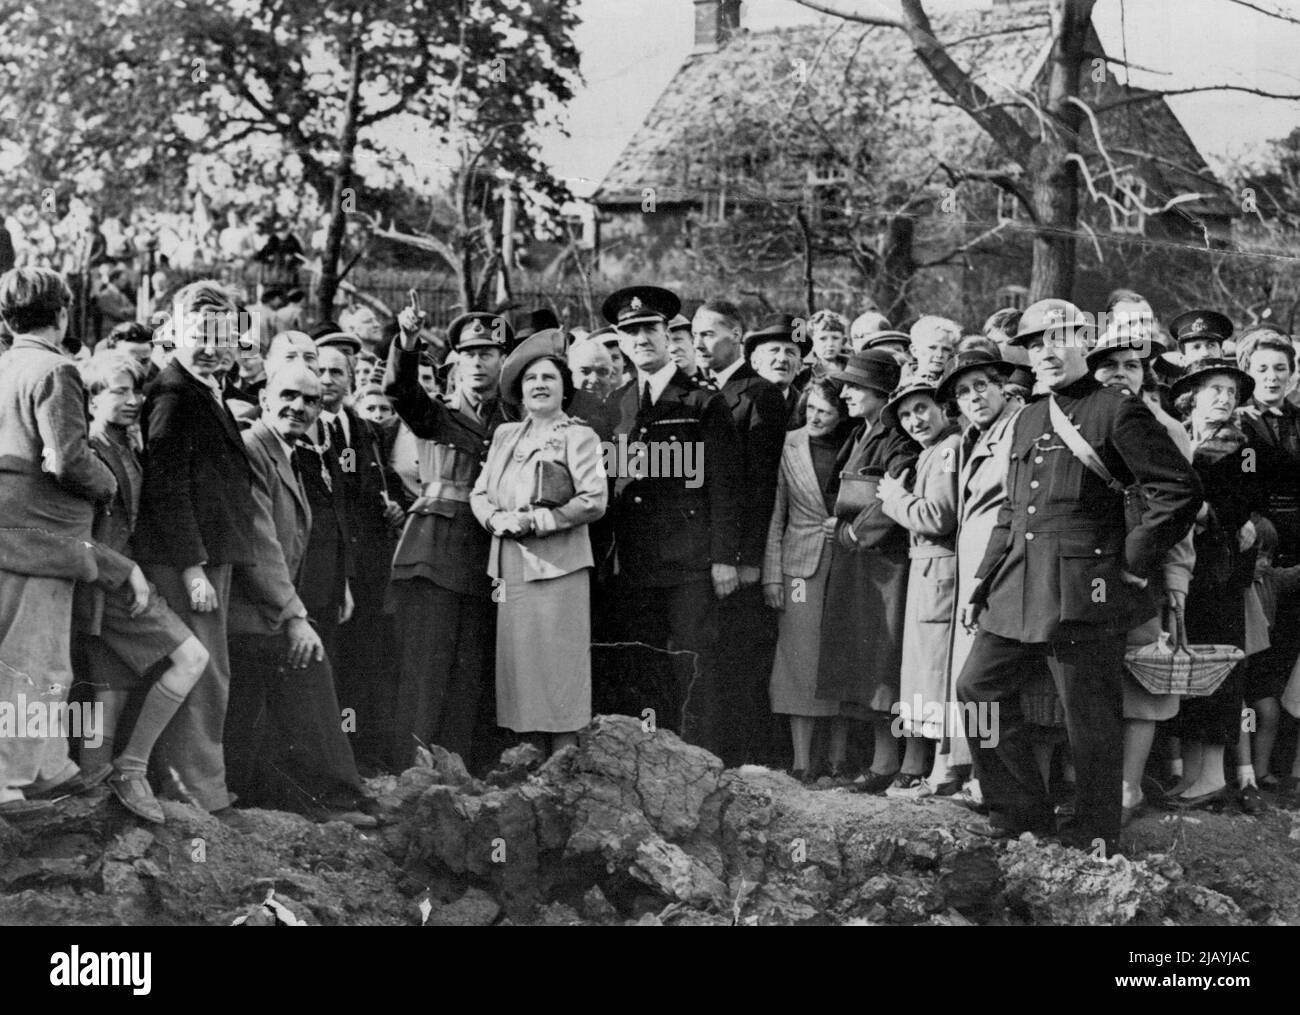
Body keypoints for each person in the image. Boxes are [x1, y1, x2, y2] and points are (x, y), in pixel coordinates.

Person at [958, 299, 1201, 855]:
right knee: (976, 688)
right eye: (1035, 343)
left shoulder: (1114, 408)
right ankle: (1019, 806)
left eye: (1056, 339)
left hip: (1083, 590)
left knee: (1087, 715)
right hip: (1016, 585)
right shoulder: (1026, 416)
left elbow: (1177, 492)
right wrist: (983, 582)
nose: (1045, 351)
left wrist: (1132, 564)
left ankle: (1094, 829)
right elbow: (1011, 511)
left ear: (1084, 343)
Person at [0, 268, 136, 822]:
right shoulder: (57, 368)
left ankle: (49, 764)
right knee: (31, 662)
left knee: (32, 658)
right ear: (63, 315)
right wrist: (107, 483)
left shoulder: (5, 364)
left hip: (9, 535)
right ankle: (10, 780)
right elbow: (66, 457)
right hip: (44, 536)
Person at [223, 364, 376, 826]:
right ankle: (333, 799)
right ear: (265, 397)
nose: (301, 407)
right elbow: (259, 538)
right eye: (290, 395)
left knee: (261, 714)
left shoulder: (286, 450)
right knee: (307, 671)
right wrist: (293, 615)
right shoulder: (253, 448)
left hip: (265, 606)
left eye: (311, 400)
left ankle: (303, 799)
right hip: (251, 609)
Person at [134, 279, 261, 829]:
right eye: (197, 334)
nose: (209, 346)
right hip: (191, 560)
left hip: (212, 556)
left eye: (220, 334)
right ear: (174, 332)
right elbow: (166, 483)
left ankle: (200, 789)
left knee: (212, 673)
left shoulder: (203, 389)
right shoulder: (174, 394)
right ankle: (196, 797)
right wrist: (191, 567)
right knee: (201, 675)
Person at [604, 285, 742, 747]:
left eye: (650, 329)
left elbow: (725, 485)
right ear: (621, 342)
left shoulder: (702, 401)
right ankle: (649, 753)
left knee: (691, 659)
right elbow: (612, 482)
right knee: (642, 660)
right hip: (635, 560)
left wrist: (725, 556)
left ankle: (698, 758)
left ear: (669, 336)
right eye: (631, 331)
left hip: (690, 559)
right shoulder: (617, 405)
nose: (641, 338)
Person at [74, 353, 210, 824]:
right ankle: (130, 769)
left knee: (109, 690)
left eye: (136, 391)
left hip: (116, 585)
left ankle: (94, 794)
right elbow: (79, 534)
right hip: (107, 587)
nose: (133, 400)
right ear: (91, 399)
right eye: (118, 391)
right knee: (192, 658)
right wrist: (124, 573)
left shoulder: (121, 442)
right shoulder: (89, 448)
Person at [384, 305, 515, 771]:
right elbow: (400, 391)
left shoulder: (512, 417)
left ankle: (456, 768)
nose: (479, 362)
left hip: (487, 558)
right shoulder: (434, 414)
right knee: (426, 667)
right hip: (434, 554)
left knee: (468, 669)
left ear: (504, 360)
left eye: (489, 352)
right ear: (455, 362)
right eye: (469, 353)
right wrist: (407, 339)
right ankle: (411, 768)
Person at [470, 329, 607, 754]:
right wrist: (495, 518)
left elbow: (594, 501)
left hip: (558, 567)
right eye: (531, 380)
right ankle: (527, 761)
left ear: (564, 388)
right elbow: (479, 493)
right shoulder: (505, 436)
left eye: (549, 378)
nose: (540, 385)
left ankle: (563, 761)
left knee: (559, 668)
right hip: (510, 567)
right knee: (520, 669)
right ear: (519, 390)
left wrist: (537, 521)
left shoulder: (578, 436)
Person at [1087, 323, 1197, 824]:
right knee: (1088, 682)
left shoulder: (1168, 431)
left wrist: (1175, 582)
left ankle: (1128, 787)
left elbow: (1180, 518)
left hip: (1141, 575)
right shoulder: (1080, 418)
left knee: (1143, 682)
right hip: (1085, 568)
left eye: (1132, 365)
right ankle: (1090, 783)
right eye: (1109, 364)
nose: (1120, 374)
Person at [816, 348, 919, 791]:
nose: (845, 394)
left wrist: (852, 533)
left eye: (855, 387)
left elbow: (895, 497)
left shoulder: (898, 439)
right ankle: (885, 760)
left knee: (887, 661)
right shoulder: (860, 433)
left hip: (884, 565)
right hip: (862, 568)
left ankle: (898, 763)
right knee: (868, 662)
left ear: (880, 392)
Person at [1163, 359, 1262, 810]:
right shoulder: (1179, 436)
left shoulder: (1243, 447)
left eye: (1230, 390)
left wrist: (1195, 507)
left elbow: (1239, 510)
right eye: (1214, 389)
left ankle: (1212, 776)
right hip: (1186, 568)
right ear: (1192, 396)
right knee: (1190, 667)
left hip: (1219, 572)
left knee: (1219, 669)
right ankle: (1194, 774)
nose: (1224, 398)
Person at [694, 299, 787, 766]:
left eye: (709, 333)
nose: (699, 343)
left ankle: (749, 760)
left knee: (742, 657)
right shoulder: (699, 391)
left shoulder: (760, 394)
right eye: (695, 335)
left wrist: (745, 556)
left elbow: (760, 483)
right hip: (709, 548)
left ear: (737, 333)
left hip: (740, 557)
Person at [935, 349, 1019, 807]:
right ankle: (978, 777)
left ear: (1001, 385)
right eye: (963, 392)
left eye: (981, 386)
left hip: (1000, 573)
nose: (973, 397)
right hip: (975, 574)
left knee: (983, 684)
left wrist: (986, 579)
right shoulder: (974, 435)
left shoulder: (1018, 427)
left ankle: (991, 783)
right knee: (976, 685)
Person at [317, 344, 404, 772]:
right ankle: (336, 758)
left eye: (337, 371)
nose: (328, 378)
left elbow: (371, 489)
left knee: (366, 661)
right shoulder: (309, 429)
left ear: (351, 379)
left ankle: (363, 752)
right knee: (332, 665)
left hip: (368, 567)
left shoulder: (362, 429)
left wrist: (388, 509)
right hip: (331, 568)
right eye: (322, 370)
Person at [763, 379, 854, 780]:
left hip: (849, 562)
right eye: (811, 408)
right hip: (798, 567)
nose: (816, 417)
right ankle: (801, 761)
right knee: (798, 659)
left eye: (826, 412)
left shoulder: (855, 443)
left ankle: (837, 759)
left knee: (840, 658)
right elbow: (775, 514)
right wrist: (772, 577)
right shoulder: (787, 445)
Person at [878, 378, 961, 795]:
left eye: (922, 409)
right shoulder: (933, 451)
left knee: (935, 672)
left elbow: (938, 517)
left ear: (943, 408)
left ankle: (942, 770)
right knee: (923, 673)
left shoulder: (949, 449)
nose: (915, 420)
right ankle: (931, 768)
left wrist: (894, 499)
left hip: (940, 571)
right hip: (927, 570)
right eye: (907, 415)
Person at [1234, 327, 1300, 799]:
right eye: (1262, 369)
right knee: (1258, 661)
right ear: (1247, 373)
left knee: (1291, 663)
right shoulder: (1238, 423)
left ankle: (1283, 767)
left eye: (1281, 368)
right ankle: (1246, 771)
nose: (1272, 377)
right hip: (1259, 555)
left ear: (1293, 375)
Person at [746, 313, 808, 426]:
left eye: (790, 352)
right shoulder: (726, 401)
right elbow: (702, 442)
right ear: (755, 360)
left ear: (799, 365)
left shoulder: (809, 411)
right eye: (774, 350)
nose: (782, 359)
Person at [797, 310, 849, 387]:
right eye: (822, 338)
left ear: (843, 341)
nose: (830, 344)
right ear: (812, 343)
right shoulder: (805, 374)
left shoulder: (851, 368)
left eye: (835, 338)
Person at [908, 315, 962, 382]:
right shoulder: (899, 384)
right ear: (914, 350)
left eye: (946, 349)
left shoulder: (956, 383)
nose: (939, 354)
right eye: (932, 348)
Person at [667, 314, 701, 379]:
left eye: (678, 339)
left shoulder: (716, 385)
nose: (672, 349)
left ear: (693, 341)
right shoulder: (656, 388)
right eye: (665, 343)